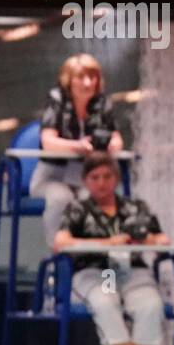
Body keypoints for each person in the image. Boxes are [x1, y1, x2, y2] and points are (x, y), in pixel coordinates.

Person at [52, 152, 169, 345]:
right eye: (95, 177)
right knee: (107, 303)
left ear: (116, 178)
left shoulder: (136, 208)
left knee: (150, 306)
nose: (102, 182)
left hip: (132, 271)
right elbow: (60, 243)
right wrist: (107, 243)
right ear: (85, 181)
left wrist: (148, 240)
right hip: (98, 270)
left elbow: (161, 239)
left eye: (107, 176)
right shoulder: (78, 209)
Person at [30, 54, 125, 247]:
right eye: (81, 77)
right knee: (61, 198)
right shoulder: (56, 100)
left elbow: (117, 138)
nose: (88, 82)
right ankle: (57, 256)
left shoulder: (102, 103)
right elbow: (48, 141)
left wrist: (112, 145)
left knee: (94, 198)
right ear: (68, 80)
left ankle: (91, 257)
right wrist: (77, 146)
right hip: (52, 177)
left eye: (93, 77)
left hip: (85, 177)